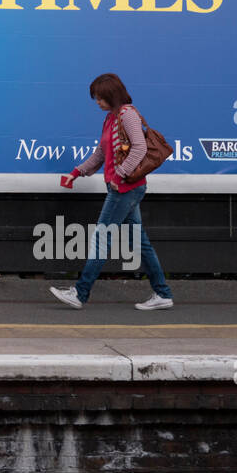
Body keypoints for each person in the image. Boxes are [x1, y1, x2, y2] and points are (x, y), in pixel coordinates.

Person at [49, 73, 174, 311]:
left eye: (99, 97)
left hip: (125, 188)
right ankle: (162, 293)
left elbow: (138, 148)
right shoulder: (111, 118)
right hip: (124, 187)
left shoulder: (127, 115)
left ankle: (80, 293)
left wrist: (119, 175)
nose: (97, 102)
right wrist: (76, 173)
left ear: (111, 94)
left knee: (101, 237)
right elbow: (100, 154)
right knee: (140, 243)